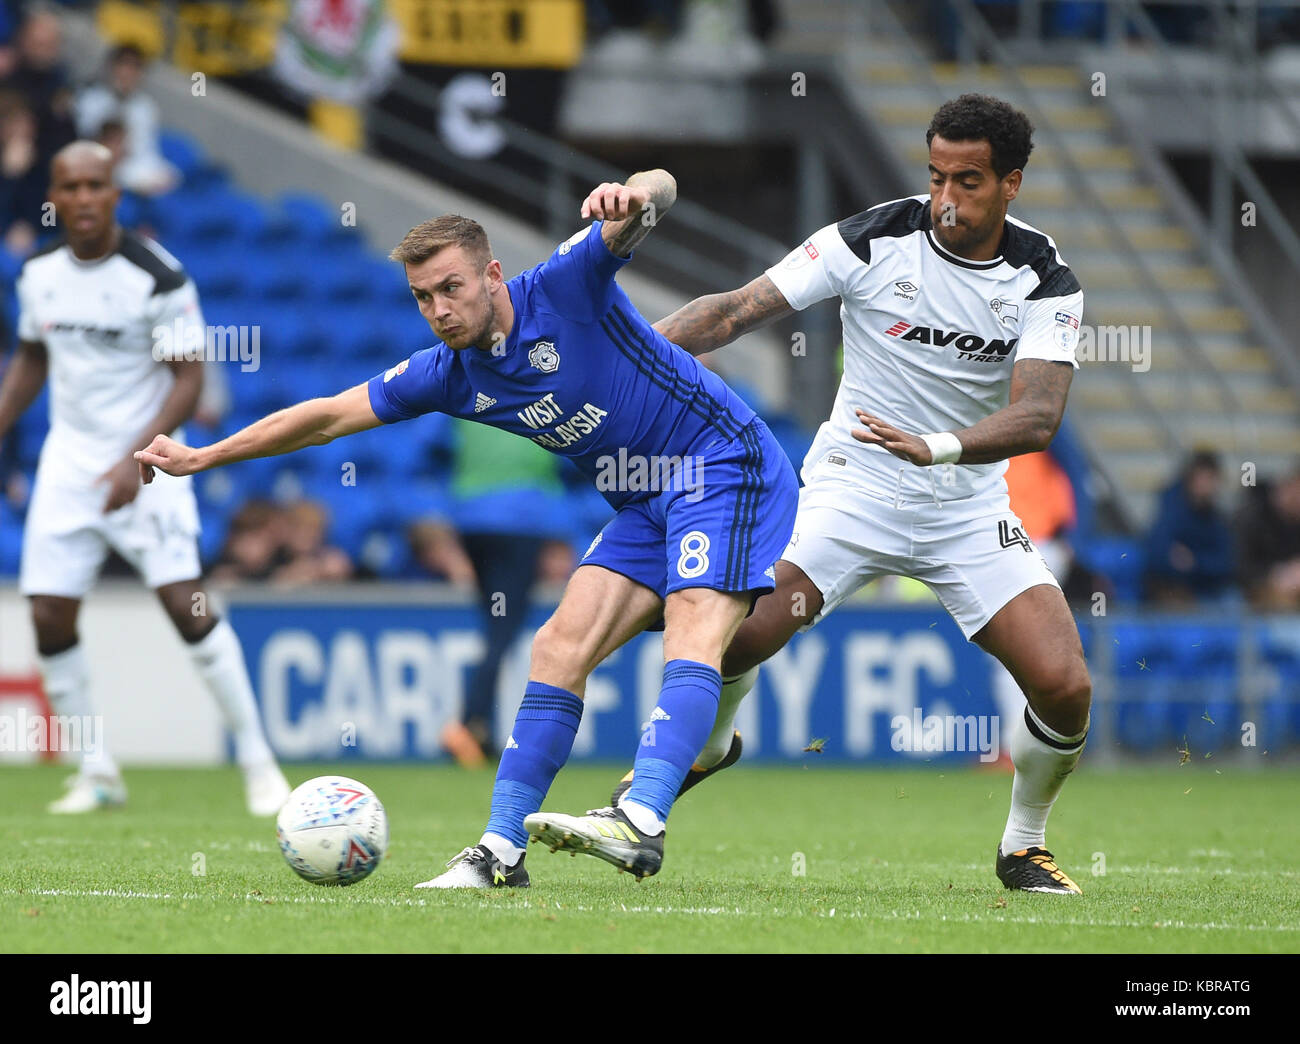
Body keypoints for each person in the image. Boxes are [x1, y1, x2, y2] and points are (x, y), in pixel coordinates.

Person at [133, 168, 799, 887]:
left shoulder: (565, 285)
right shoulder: (448, 373)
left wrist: (633, 197)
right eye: (423, 297)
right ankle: (499, 852)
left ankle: (641, 818)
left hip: (723, 459)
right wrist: (205, 454)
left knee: (691, 624)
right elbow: (327, 415)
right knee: (556, 645)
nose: (440, 309)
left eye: (452, 287)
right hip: (644, 503)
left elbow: (662, 192)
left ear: (492, 274)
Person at [590, 93, 1092, 894]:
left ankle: (1023, 846)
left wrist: (938, 448)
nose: (945, 201)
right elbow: (731, 311)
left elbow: (1038, 415)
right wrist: (625, 363)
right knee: (740, 631)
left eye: (968, 182)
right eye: (936, 177)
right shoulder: (871, 238)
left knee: (1065, 686)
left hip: (965, 507)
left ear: (1011, 184)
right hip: (853, 486)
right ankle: (712, 745)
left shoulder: (1043, 276)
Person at [0, 141, 290, 815]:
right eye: (68, 187)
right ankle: (96, 771)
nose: (81, 199)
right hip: (69, 465)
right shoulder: (38, 272)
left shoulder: (156, 276)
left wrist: (140, 456)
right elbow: (33, 359)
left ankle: (257, 760)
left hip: (151, 459)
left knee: (184, 604)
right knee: (47, 613)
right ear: (54, 195)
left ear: (114, 194)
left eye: (94, 186)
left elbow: (189, 378)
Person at [1141, 450, 1235, 607]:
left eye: (1211, 479)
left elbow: (1225, 561)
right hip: (1170, 588)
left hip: (1206, 588)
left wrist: (1195, 562)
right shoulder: (1170, 511)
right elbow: (1157, 553)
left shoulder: (1217, 519)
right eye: (1202, 478)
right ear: (1190, 478)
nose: (1207, 485)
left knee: (1233, 602)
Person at [1237, 466, 1300, 611]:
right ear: (1287, 488)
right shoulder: (1251, 517)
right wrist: (1275, 573)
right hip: (1256, 589)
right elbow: (1241, 566)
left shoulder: (1294, 519)